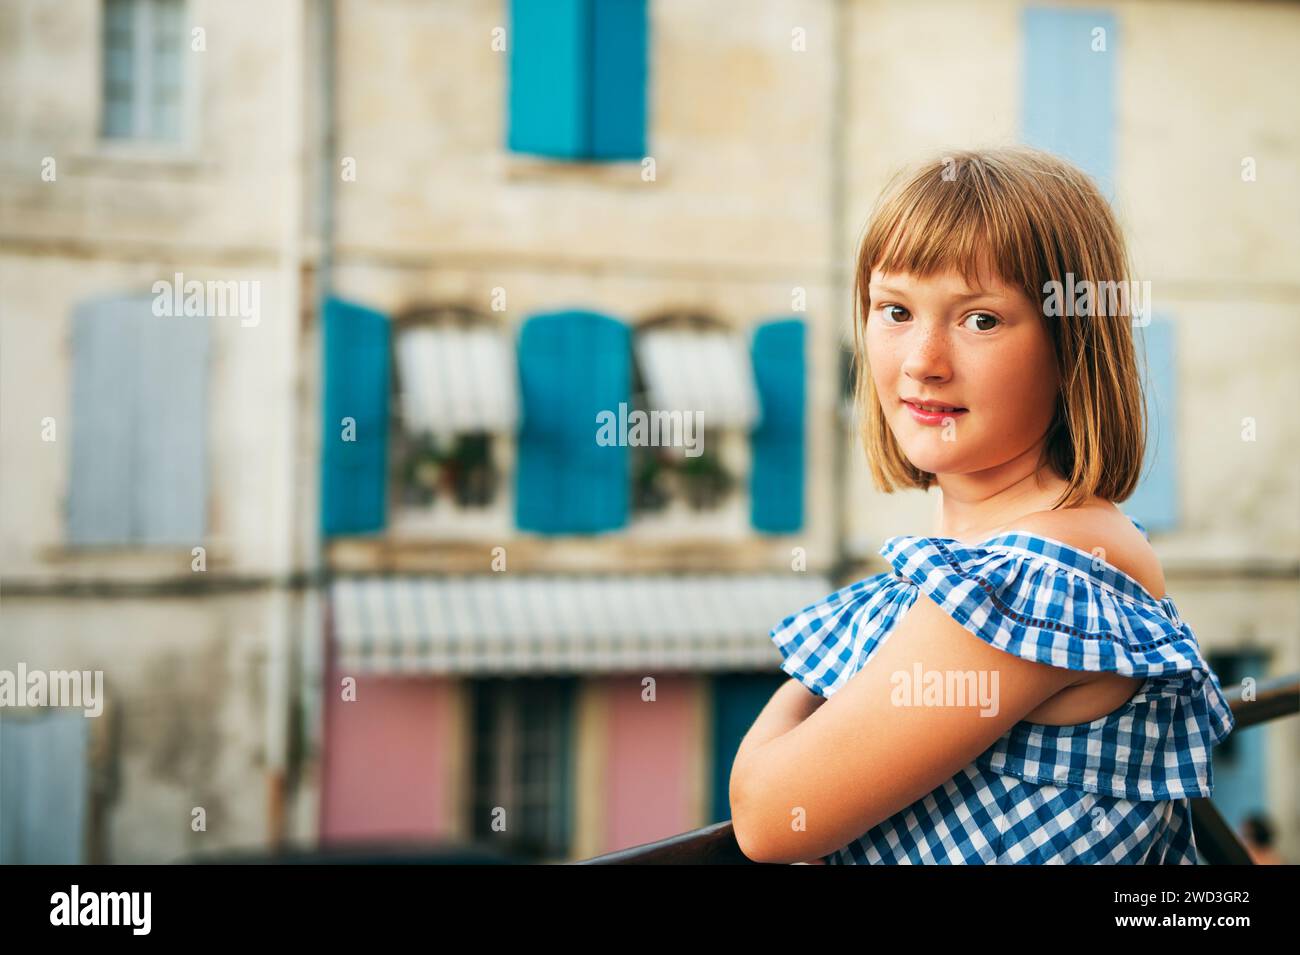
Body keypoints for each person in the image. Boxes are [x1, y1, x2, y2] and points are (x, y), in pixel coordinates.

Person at [730, 146, 1235, 865]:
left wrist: (810, 690)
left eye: (981, 321)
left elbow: (769, 817)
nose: (923, 361)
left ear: (1071, 346)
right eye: (895, 309)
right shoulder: (1060, 543)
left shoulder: (1040, 582)